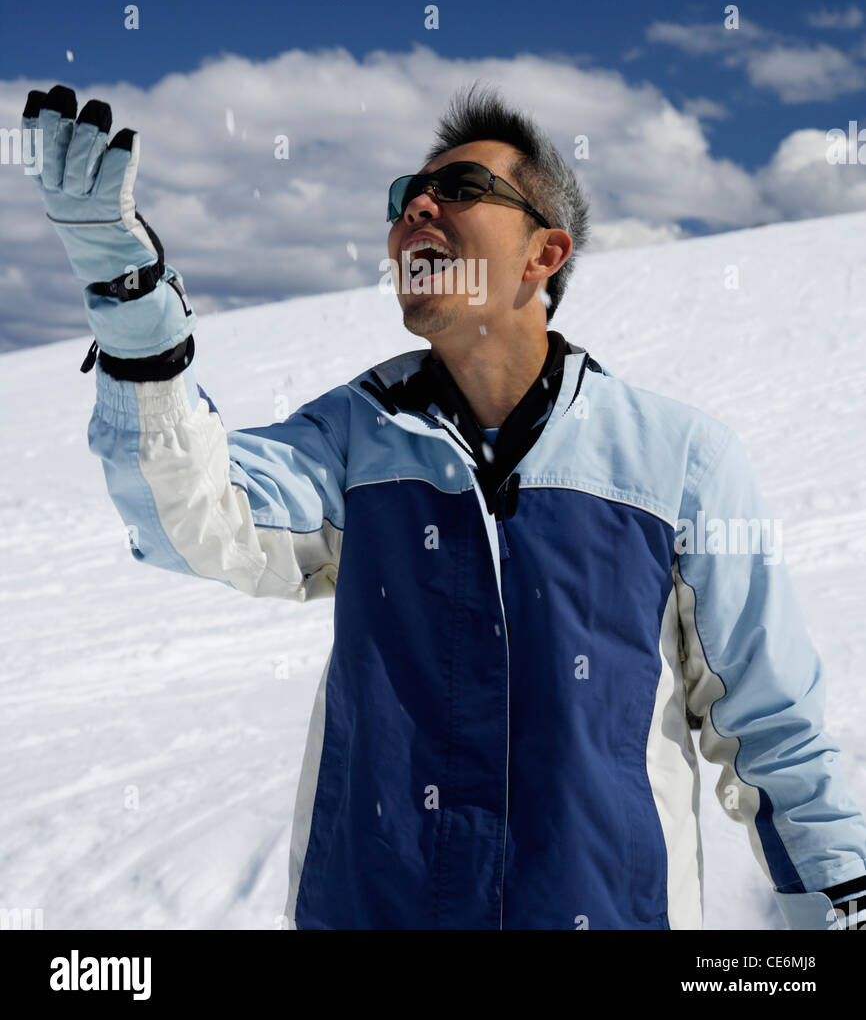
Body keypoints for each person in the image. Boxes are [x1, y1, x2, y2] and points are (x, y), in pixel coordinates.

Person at [22, 81, 866, 931]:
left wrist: (839, 907)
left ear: (544, 256)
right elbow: (198, 521)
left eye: (460, 190)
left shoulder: (678, 461)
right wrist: (136, 320)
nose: (415, 208)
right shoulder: (355, 437)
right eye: (402, 200)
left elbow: (772, 731)